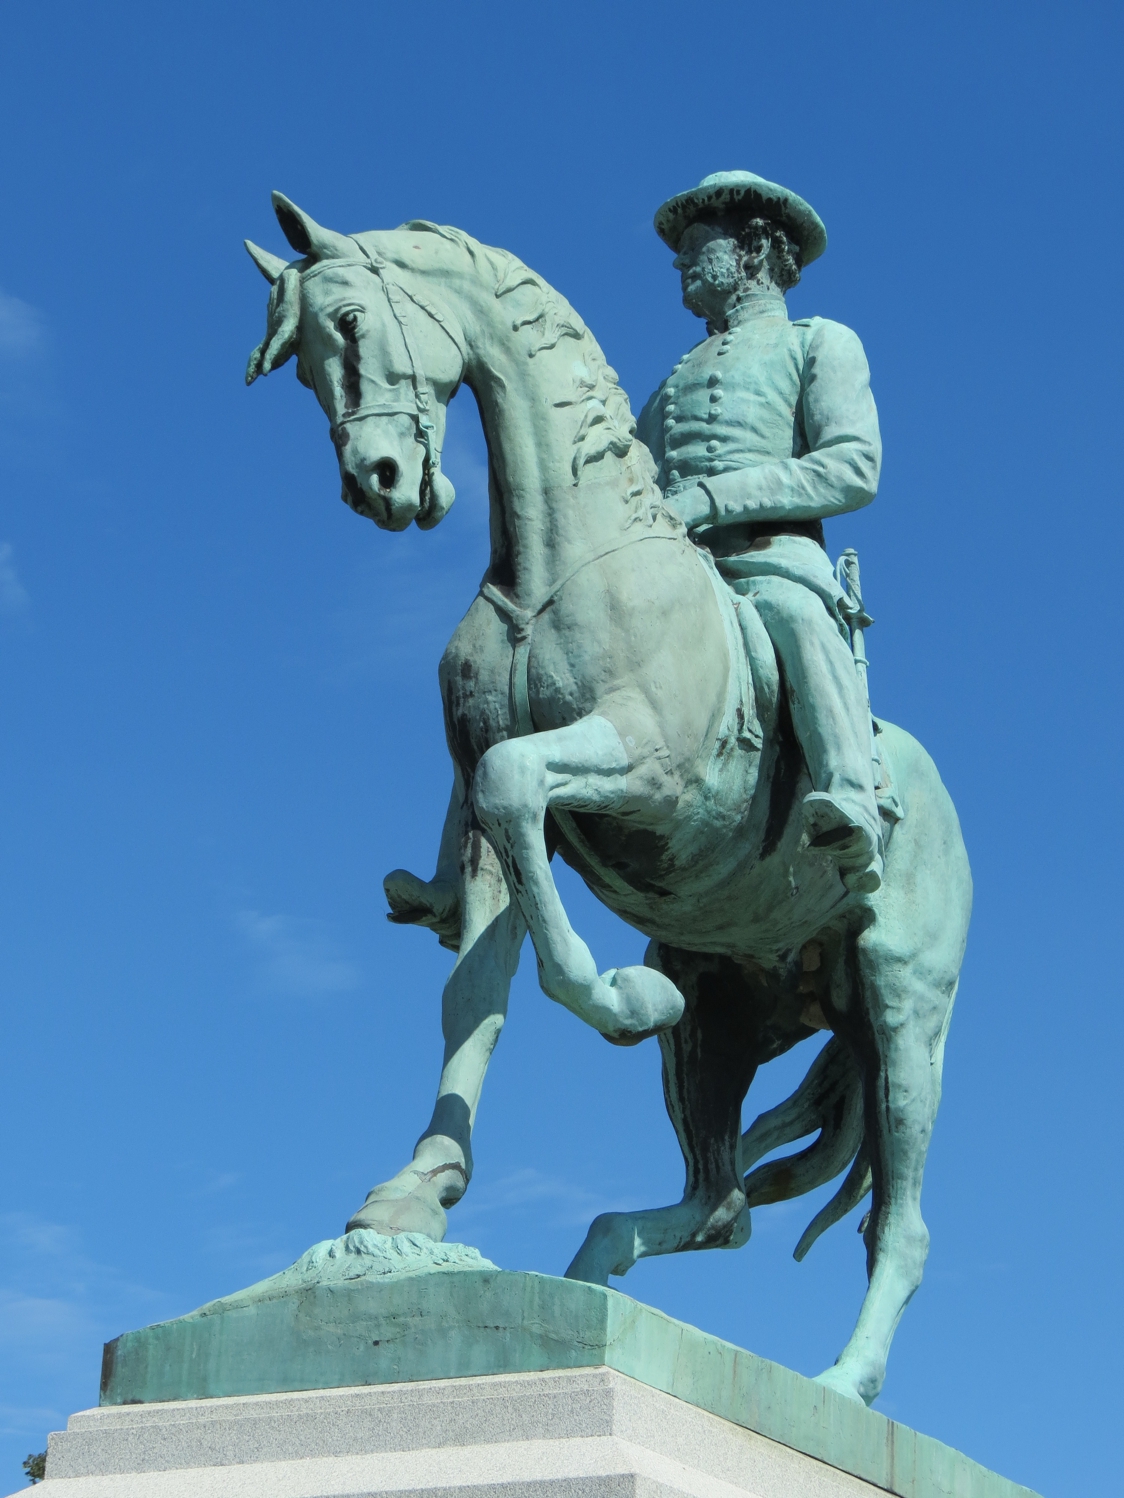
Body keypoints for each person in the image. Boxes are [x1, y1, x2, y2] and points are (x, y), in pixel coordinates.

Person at [638, 171, 884, 893]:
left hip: (771, 562)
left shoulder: (820, 342)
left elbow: (853, 467)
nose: (680, 260)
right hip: (673, 570)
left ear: (753, 248)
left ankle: (852, 798)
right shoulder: (666, 387)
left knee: (797, 619)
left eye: (697, 243)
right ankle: (468, 872)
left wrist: (713, 498)